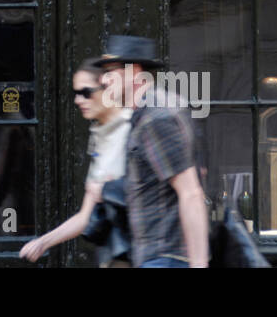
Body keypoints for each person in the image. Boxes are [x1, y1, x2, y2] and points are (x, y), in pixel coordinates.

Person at [97, 34, 209, 268]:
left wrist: (199, 264)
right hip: (158, 255)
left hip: (166, 257)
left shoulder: (156, 117)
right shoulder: (148, 113)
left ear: (134, 71)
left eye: (110, 72)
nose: (104, 80)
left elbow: (190, 193)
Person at [18, 58, 131, 265]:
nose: (79, 100)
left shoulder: (133, 129)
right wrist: (43, 242)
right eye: (76, 94)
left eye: (86, 92)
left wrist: (109, 191)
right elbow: (85, 215)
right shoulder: (99, 134)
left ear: (107, 89)